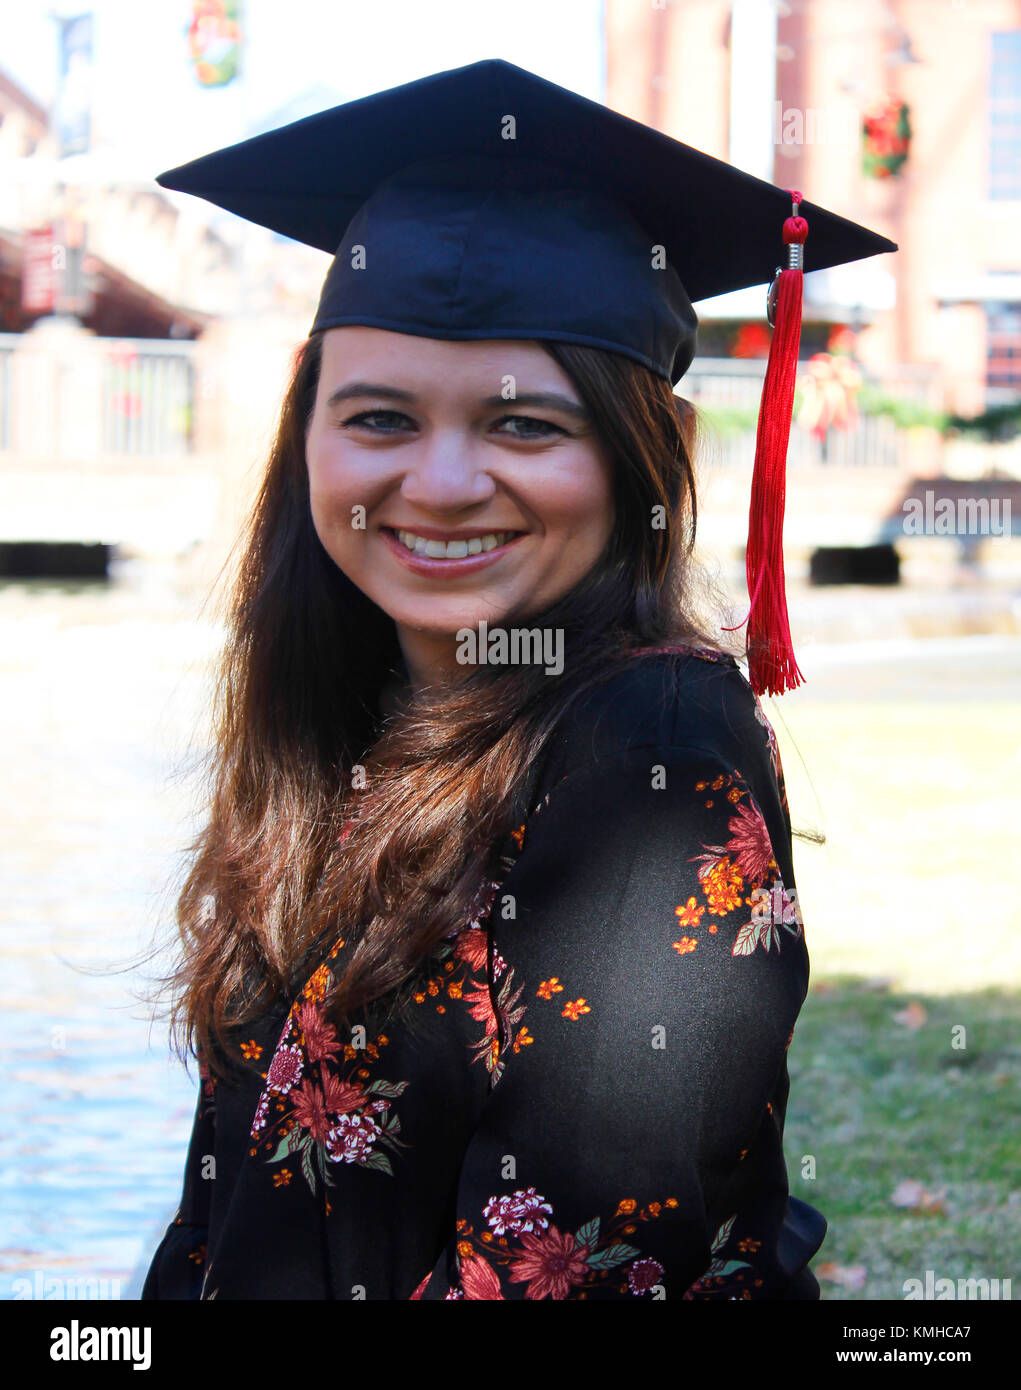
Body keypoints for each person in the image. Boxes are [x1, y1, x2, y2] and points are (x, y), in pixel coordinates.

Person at [141, 58, 896, 1300]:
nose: (437, 483)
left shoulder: (644, 741)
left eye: (522, 425)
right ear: (307, 440)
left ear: (639, 457)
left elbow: (576, 1267)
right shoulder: (346, 729)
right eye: (379, 418)